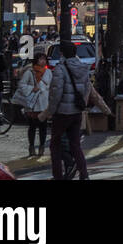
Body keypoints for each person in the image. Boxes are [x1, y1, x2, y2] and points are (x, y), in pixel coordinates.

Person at [46, 40, 92, 180]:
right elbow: (86, 89)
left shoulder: (60, 69)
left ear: (62, 53)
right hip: (77, 112)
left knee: (55, 145)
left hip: (62, 112)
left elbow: (56, 92)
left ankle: (58, 175)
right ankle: (84, 174)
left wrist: (51, 110)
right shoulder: (83, 67)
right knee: (75, 145)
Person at [14, 49, 53, 157]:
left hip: (44, 103)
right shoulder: (30, 72)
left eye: (44, 59)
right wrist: (32, 88)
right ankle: (31, 146)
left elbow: (52, 86)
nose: (43, 61)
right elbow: (21, 85)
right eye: (41, 59)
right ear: (36, 60)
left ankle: (41, 147)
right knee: (32, 126)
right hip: (33, 104)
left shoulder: (48, 72)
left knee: (43, 127)